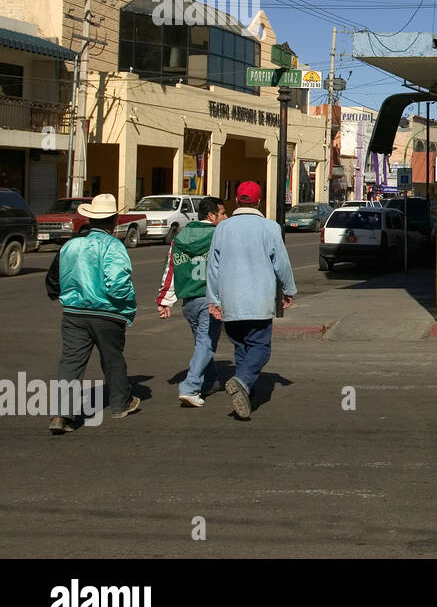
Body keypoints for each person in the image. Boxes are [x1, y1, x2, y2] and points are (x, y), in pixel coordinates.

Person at [44, 193, 139, 433]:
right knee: (113, 359)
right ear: (114, 220)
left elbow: (54, 279)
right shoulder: (113, 246)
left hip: (74, 312)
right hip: (107, 313)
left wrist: (62, 296)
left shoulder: (71, 245)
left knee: (71, 362)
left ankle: (61, 415)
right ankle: (120, 404)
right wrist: (128, 307)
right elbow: (118, 283)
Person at [206, 182, 296, 419]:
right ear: (259, 201)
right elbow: (281, 263)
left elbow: (213, 268)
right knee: (260, 348)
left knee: (241, 349)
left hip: (231, 300)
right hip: (258, 300)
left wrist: (214, 299)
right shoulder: (269, 227)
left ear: (237, 201)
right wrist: (288, 289)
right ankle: (242, 381)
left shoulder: (222, 228)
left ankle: (245, 396)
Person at [156, 197, 226, 407]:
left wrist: (165, 300)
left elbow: (171, 268)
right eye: (222, 213)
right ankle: (190, 387)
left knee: (202, 343)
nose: (226, 217)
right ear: (211, 215)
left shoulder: (181, 236)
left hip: (189, 302)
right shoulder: (219, 236)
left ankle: (211, 381)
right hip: (210, 299)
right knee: (206, 343)